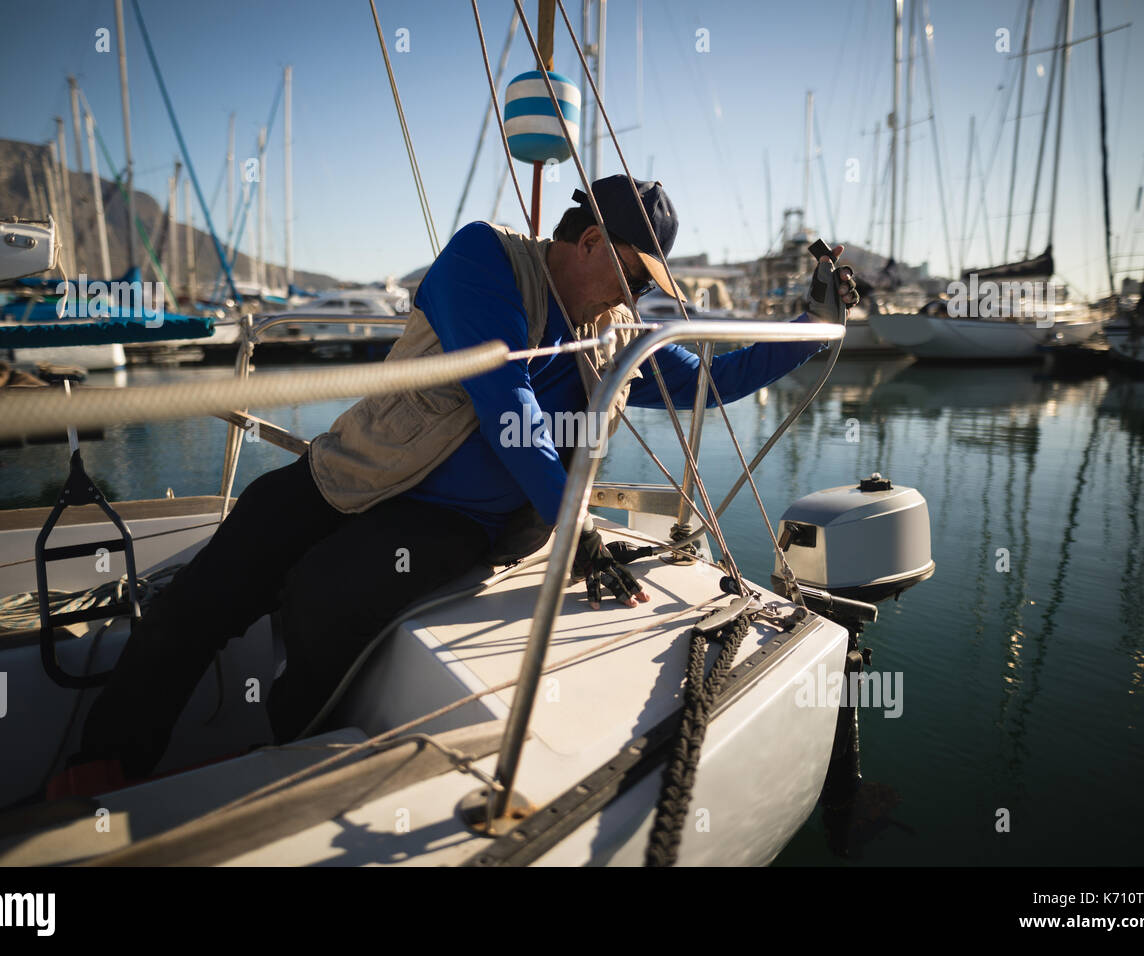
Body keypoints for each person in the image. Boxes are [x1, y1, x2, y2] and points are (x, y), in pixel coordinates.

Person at [51, 175, 857, 797]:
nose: (634, 293)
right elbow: (508, 409)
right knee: (216, 578)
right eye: (633, 271)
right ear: (589, 243)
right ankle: (101, 769)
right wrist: (578, 528)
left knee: (328, 594)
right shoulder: (485, 260)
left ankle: (277, 767)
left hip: (471, 519)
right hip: (358, 473)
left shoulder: (613, 331)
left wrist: (816, 324)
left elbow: (711, 379)